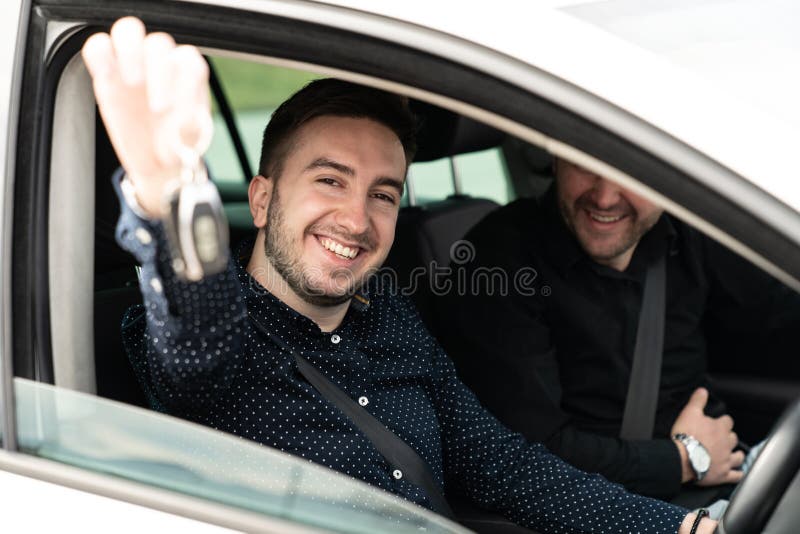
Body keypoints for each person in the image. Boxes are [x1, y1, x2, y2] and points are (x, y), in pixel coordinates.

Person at [82, 17, 716, 533]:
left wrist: (669, 528)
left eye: (383, 194)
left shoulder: (384, 310)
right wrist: (170, 196)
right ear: (262, 199)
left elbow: (502, 466)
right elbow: (195, 345)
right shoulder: (212, 337)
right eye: (329, 180)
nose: (357, 219)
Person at [437, 157, 794, 509]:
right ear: (555, 159)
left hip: (730, 476)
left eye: (631, 171)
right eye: (584, 164)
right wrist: (684, 460)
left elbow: (777, 316)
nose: (605, 198)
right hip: (628, 510)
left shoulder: (690, 234)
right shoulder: (501, 259)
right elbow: (527, 458)